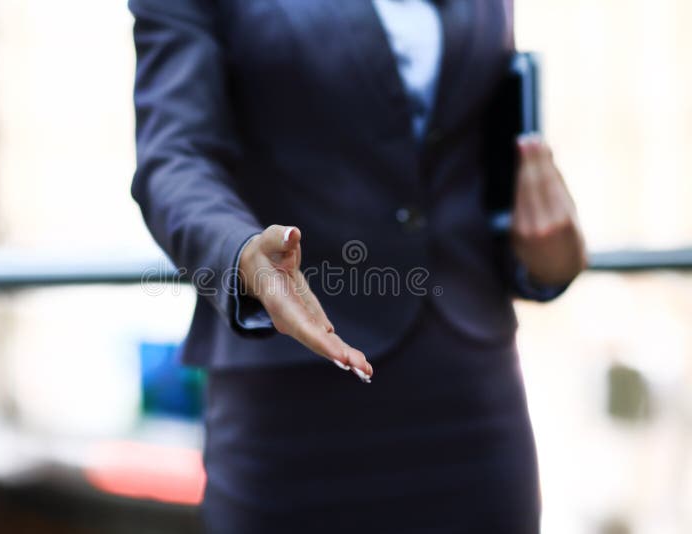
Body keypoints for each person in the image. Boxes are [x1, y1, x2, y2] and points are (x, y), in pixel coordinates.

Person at [128, 0, 587, 532]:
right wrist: (241, 252)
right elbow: (175, 159)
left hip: (472, 395)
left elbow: (468, 154)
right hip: (291, 403)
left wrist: (541, 257)